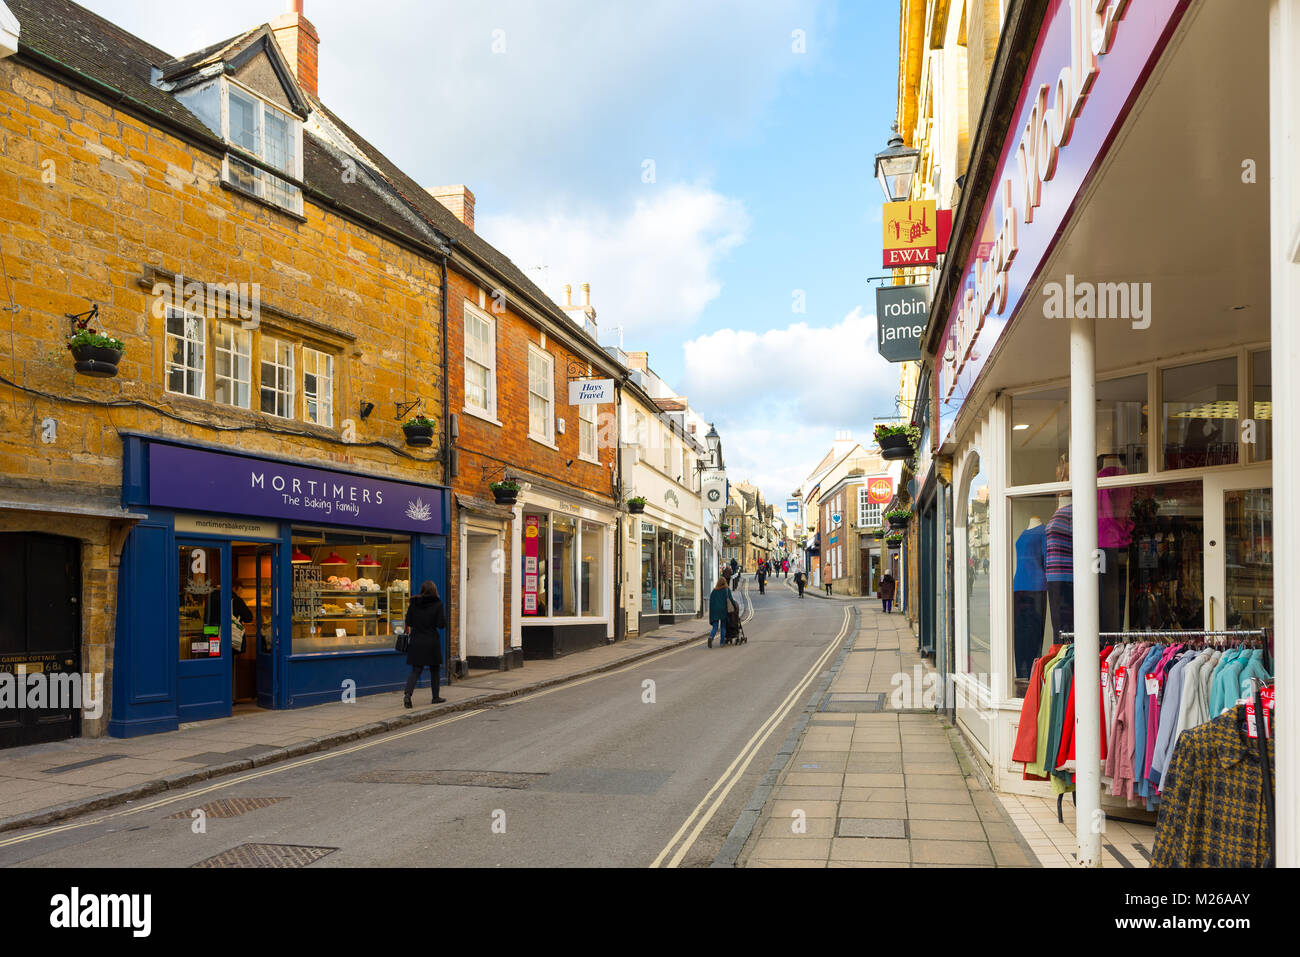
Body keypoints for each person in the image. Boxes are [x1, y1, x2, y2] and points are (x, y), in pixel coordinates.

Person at [403, 580, 447, 707]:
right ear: (434, 591)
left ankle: (407, 694)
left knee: (416, 670)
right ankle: (435, 697)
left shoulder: (414, 603)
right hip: (431, 641)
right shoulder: (438, 604)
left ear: (422, 590)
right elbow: (441, 625)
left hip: (416, 640)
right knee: (435, 669)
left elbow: (409, 622)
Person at [707, 577, 731, 648]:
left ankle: (711, 637)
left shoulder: (714, 591)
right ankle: (722, 643)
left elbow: (711, 601)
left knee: (715, 627)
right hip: (723, 610)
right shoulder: (726, 590)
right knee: (723, 626)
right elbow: (731, 599)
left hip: (715, 610)